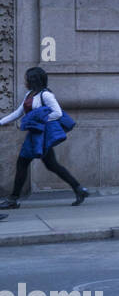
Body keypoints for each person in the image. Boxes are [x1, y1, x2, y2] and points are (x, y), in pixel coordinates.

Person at [0, 67, 89, 210]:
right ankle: (79, 189)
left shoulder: (46, 95)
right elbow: (18, 112)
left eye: (27, 78)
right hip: (35, 136)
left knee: (23, 163)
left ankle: (13, 199)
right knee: (51, 165)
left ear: (33, 79)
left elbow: (57, 113)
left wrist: (40, 120)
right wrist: (1, 121)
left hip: (41, 136)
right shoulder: (30, 94)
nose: (25, 80)